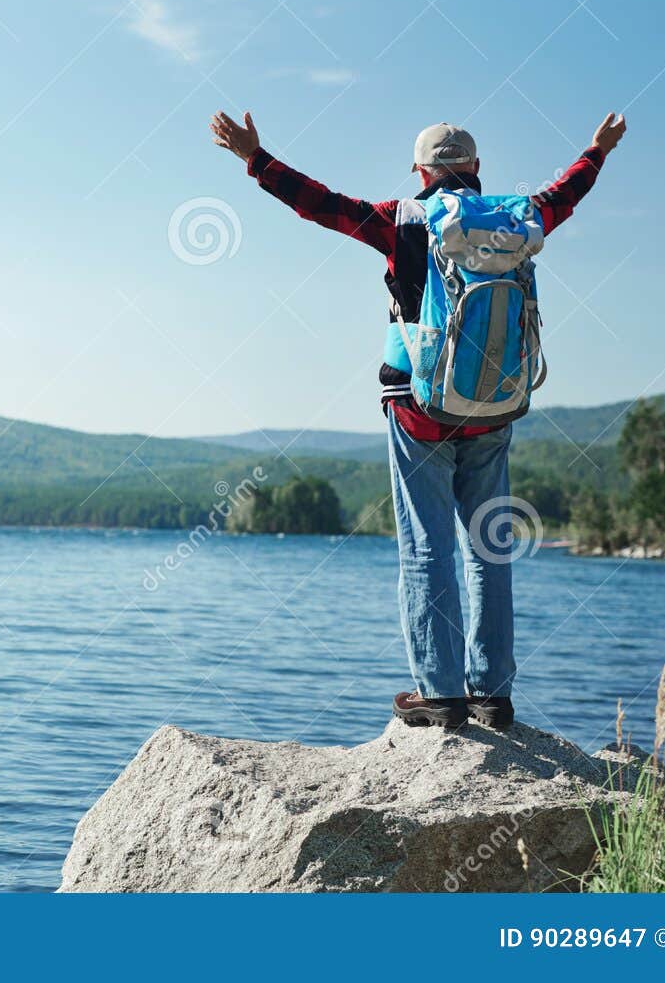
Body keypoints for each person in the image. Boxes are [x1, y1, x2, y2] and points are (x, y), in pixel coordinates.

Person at [210, 109, 627, 729]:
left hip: (418, 405)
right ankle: (491, 694)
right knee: (490, 546)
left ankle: (441, 694)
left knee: (427, 547)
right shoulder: (518, 216)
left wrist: (257, 159)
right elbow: (566, 195)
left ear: (421, 171)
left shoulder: (403, 219)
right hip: (495, 404)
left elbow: (322, 205)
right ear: (476, 169)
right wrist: (596, 150)